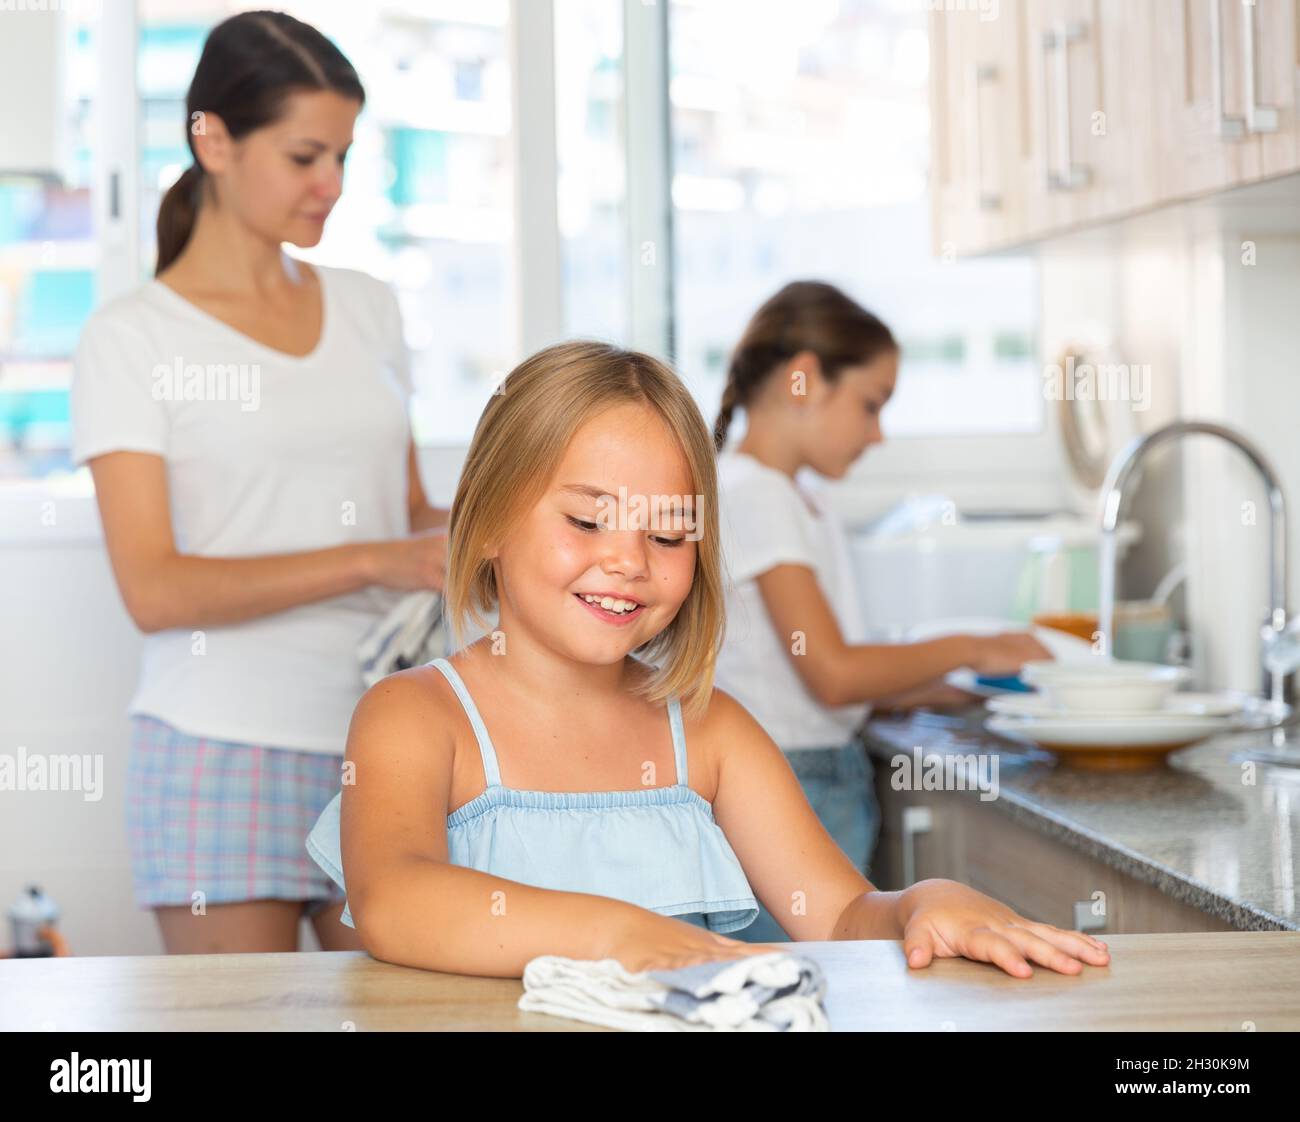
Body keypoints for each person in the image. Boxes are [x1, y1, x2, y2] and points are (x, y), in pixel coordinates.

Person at [304, 339, 1107, 980]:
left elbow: (835, 917)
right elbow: (395, 900)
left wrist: (919, 904)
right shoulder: (414, 718)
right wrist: (619, 933)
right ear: (485, 524)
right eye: (587, 521)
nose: (628, 561)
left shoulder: (710, 732)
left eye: (667, 534)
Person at [70, 12, 447, 954]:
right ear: (215, 139)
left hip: (382, 748)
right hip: (216, 749)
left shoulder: (368, 306)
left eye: (346, 157)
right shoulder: (133, 339)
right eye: (306, 156)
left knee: (408, 1024)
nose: (333, 186)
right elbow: (156, 590)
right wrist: (377, 558)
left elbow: (412, 520)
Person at [712, 281, 1051, 943]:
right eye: (871, 405)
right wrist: (973, 647)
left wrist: (947, 690)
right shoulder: (758, 494)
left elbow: (813, 680)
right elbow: (833, 673)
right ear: (804, 379)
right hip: (795, 785)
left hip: (809, 774)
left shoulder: (791, 497)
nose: (877, 434)